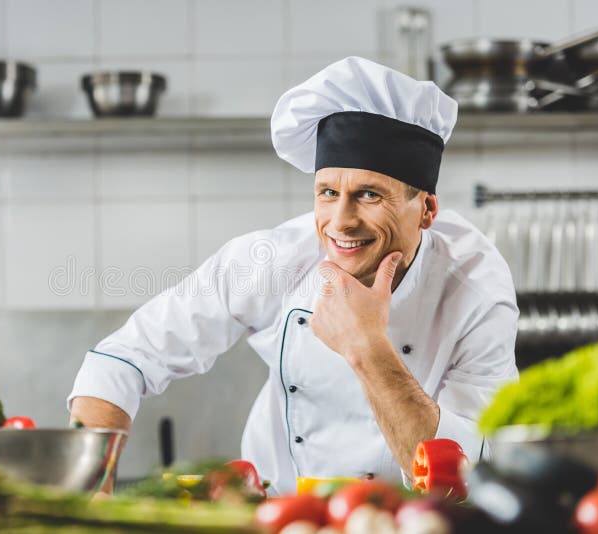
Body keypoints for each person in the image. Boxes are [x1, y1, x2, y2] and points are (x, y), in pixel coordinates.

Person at [68, 56, 519, 495]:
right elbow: (123, 358)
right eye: (327, 192)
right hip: (280, 513)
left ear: (426, 209)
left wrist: (367, 347)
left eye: (368, 195)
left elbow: (458, 473)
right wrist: (91, 488)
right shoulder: (274, 260)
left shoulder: (476, 292)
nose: (340, 221)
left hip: (406, 521)